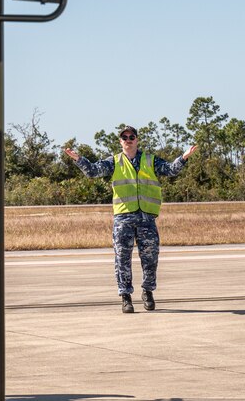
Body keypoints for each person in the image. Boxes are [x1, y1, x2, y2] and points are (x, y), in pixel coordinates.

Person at [64, 126, 197, 313]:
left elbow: (169, 170)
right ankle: (125, 297)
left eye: (131, 136)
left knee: (150, 258)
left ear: (137, 140)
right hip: (123, 218)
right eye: (124, 137)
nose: (128, 139)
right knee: (122, 259)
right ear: (120, 141)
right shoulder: (114, 161)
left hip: (146, 218)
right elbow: (93, 171)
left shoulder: (150, 160)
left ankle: (148, 291)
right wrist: (79, 159)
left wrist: (183, 157)